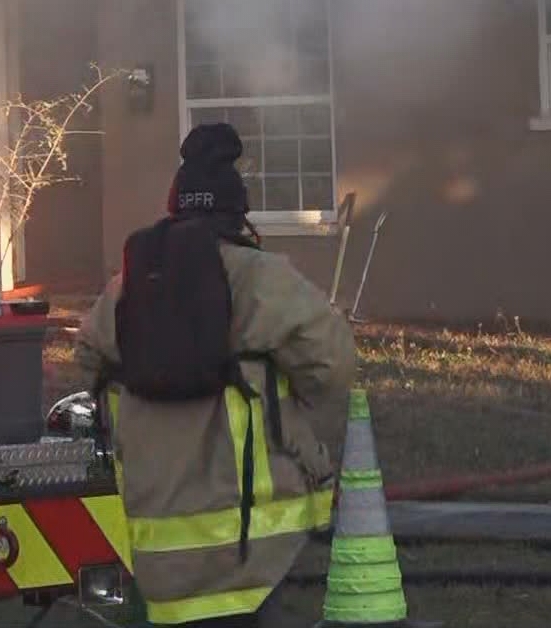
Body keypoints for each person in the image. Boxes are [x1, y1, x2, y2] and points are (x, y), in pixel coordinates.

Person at [76, 123, 354, 626]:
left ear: (176, 206)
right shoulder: (264, 280)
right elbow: (332, 364)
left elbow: (89, 356)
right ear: (238, 210)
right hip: (252, 546)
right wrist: (295, 416)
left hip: (151, 544)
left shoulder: (130, 287)